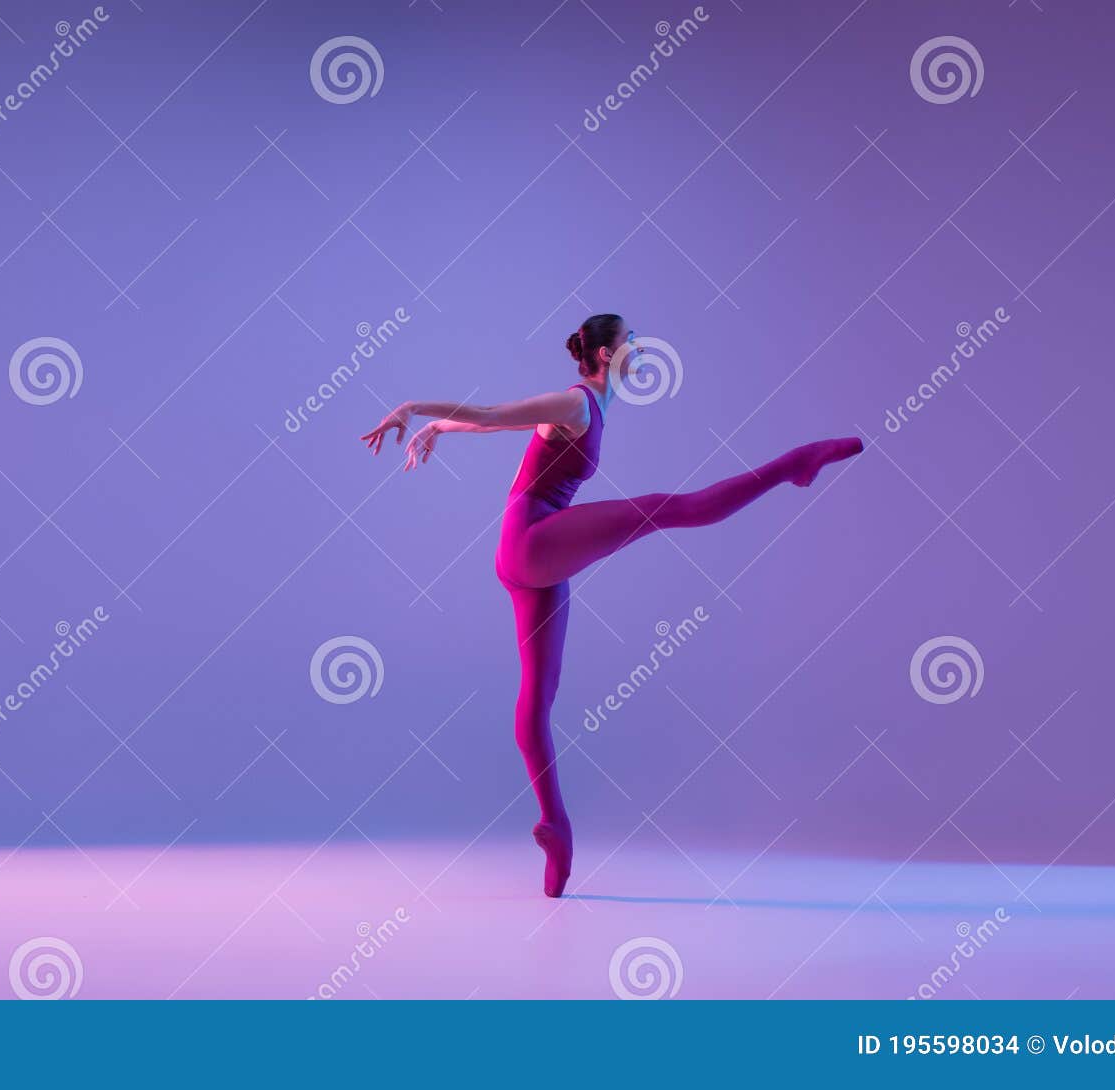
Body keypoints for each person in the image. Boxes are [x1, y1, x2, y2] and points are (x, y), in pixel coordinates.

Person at [361, 315, 861, 897]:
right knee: (668, 507)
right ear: (604, 354)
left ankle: (556, 828)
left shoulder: (590, 406)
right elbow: (496, 416)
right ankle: (791, 465)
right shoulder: (575, 404)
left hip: (533, 562)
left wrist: (437, 429)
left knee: (538, 697)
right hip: (532, 544)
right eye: (629, 341)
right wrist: (415, 408)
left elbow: (490, 425)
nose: (638, 346)